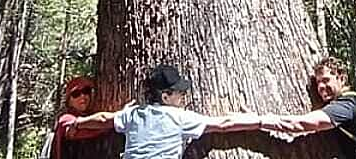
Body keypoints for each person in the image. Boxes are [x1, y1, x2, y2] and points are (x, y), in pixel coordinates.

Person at [67, 64, 264, 159]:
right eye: (179, 92)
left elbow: (103, 119)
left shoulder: (134, 114)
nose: (182, 97)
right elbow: (223, 125)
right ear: (165, 96)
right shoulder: (180, 117)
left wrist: (77, 124)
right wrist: (258, 121)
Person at [258, 56, 356, 159]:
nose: (321, 87)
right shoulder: (353, 102)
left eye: (326, 80)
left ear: (341, 79)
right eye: (318, 82)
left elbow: (298, 124)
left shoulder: (347, 105)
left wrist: (258, 121)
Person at [43, 76, 109, 159]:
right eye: (76, 94)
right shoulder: (66, 119)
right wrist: (121, 117)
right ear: (69, 101)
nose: (82, 96)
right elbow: (102, 122)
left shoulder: (90, 115)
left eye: (86, 91)